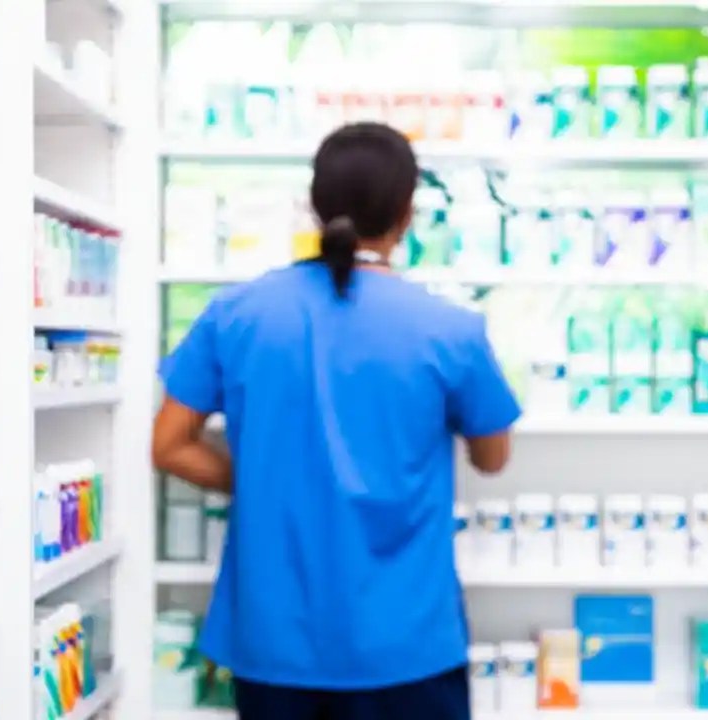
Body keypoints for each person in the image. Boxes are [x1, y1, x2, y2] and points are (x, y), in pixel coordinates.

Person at [152, 122, 522, 720]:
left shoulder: (236, 314)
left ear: (314, 206)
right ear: (408, 212)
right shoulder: (451, 330)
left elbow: (170, 445)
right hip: (407, 645)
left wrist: (267, 478)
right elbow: (493, 456)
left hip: (275, 642)